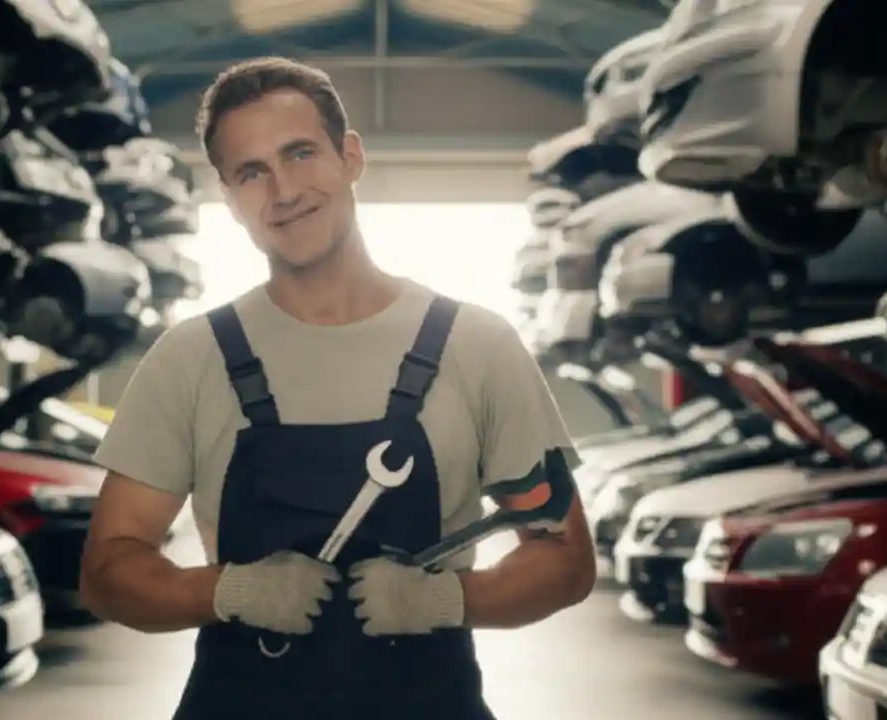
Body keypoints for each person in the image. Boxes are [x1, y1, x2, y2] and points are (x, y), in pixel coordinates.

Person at [80, 56, 597, 720]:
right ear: (230, 197)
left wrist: (446, 600)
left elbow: (564, 556)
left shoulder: (478, 347)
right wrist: (227, 592)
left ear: (350, 156)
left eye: (300, 154)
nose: (283, 190)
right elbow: (107, 573)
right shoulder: (191, 357)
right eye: (252, 172)